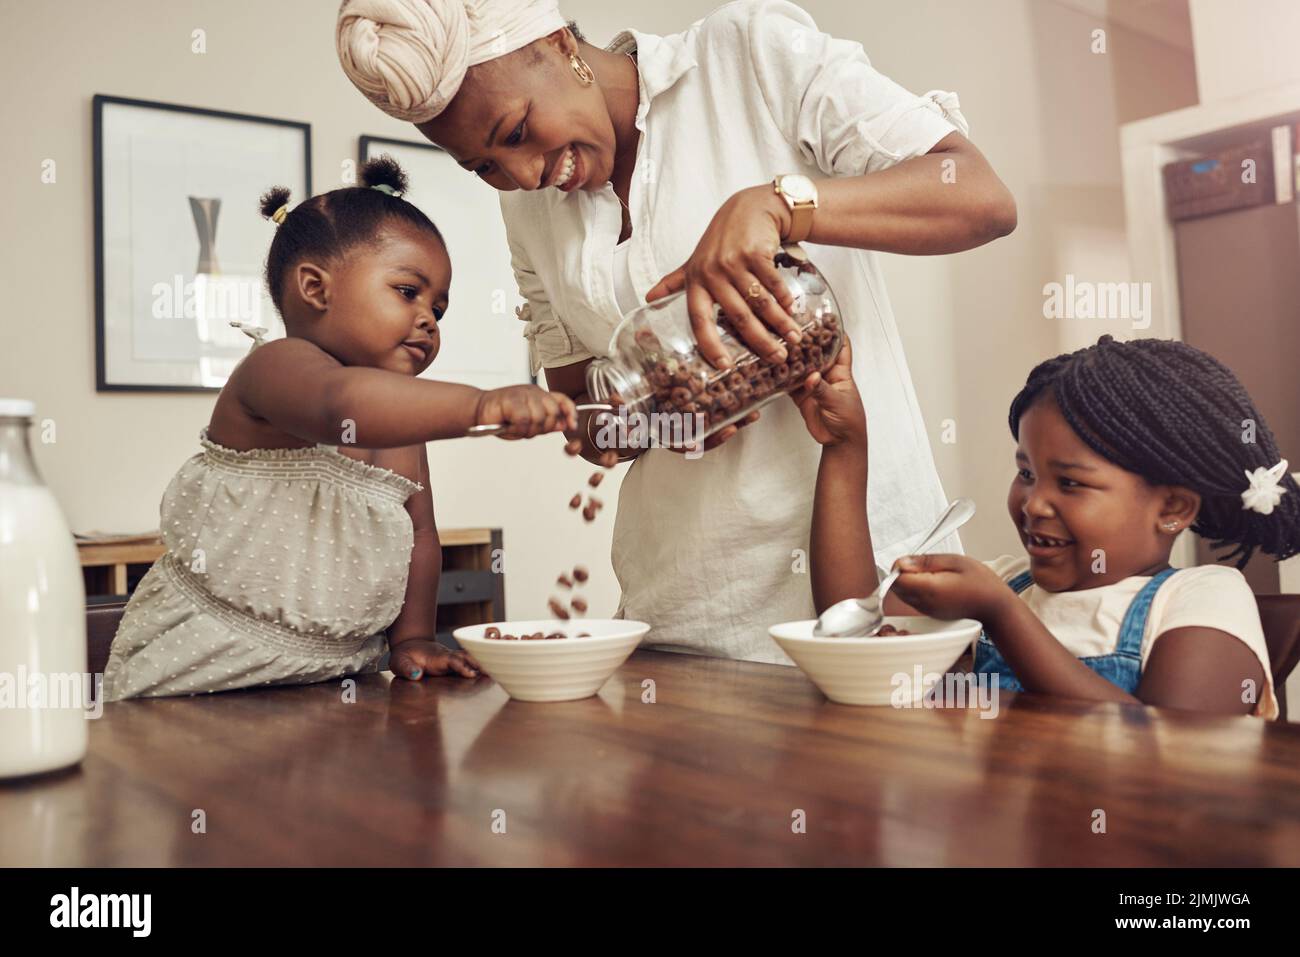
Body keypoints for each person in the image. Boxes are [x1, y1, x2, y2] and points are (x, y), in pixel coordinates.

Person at [336, 0, 1017, 661]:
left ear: (562, 48)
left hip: (868, 593)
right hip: (686, 610)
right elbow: (589, 417)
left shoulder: (746, 56)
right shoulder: (529, 214)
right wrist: (657, 422)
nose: (521, 174)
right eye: (482, 166)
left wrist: (777, 204)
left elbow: (979, 195)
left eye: (515, 132)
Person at [103, 157, 575, 700]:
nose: (428, 319)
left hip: (336, 678)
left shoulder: (401, 428)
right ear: (315, 287)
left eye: (438, 310)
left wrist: (414, 638)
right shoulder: (275, 369)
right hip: (202, 668)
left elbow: (420, 538)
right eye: (407, 292)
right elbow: (339, 404)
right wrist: (481, 405)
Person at [796, 333, 1299, 717]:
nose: (1034, 503)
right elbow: (852, 619)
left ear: (1173, 508)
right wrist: (844, 448)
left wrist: (1003, 616)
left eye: (1072, 483)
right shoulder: (1007, 583)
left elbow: (1168, 750)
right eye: (1026, 473)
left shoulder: (1202, 597)